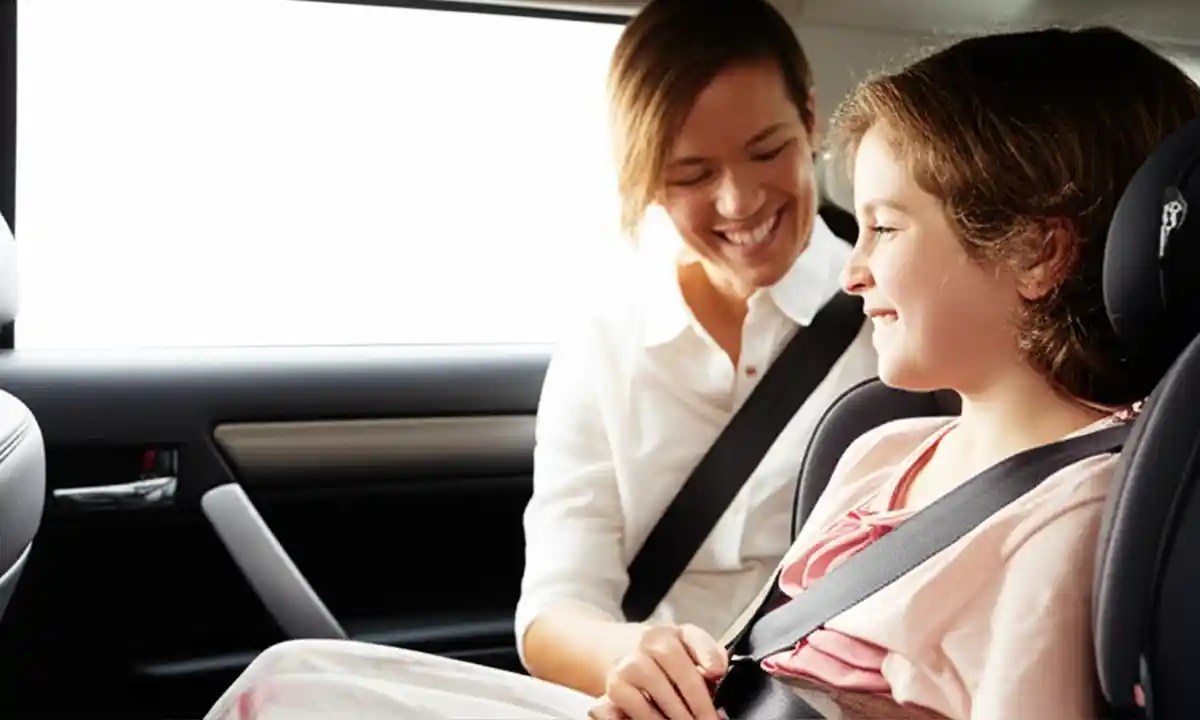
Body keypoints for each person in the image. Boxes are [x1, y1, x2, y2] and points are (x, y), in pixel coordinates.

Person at [202, 0, 876, 718]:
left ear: (810, 118)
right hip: (637, 707)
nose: (738, 200)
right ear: (646, 175)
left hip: (817, 706)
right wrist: (630, 660)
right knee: (289, 680)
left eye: (767, 150)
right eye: (691, 174)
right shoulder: (606, 341)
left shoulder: (892, 325)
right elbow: (557, 607)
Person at [586, 25, 1200, 720]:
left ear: (1036, 253)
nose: (852, 273)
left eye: (884, 228)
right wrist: (671, 680)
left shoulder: (1068, 523)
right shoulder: (876, 455)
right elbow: (771, 667)